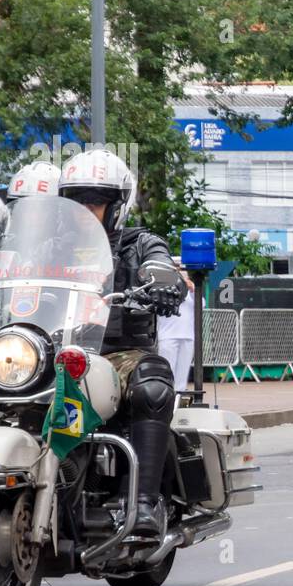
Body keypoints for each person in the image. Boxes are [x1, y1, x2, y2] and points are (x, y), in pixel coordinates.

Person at [58, 150, 187, 538]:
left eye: (94, 201)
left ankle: (144, 502)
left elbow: (167, 271)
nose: (85, 209)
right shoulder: (52, 246)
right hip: (54, 350)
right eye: (76, 201)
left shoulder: (140, 243)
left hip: (120, 354)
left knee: (152, 385)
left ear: (116, 206)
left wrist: (166, 285)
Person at [157, 257, 197, 392]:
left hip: (187, 336)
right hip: (168, 335)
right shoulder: (164, 285)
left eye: (182, 268)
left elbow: (200, 306)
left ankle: (179, 397)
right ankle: (166, 395)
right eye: (177, 267)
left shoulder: (191, 288)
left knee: (182, 373)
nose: (180, 271)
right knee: (167, 370)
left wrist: (192, 290)